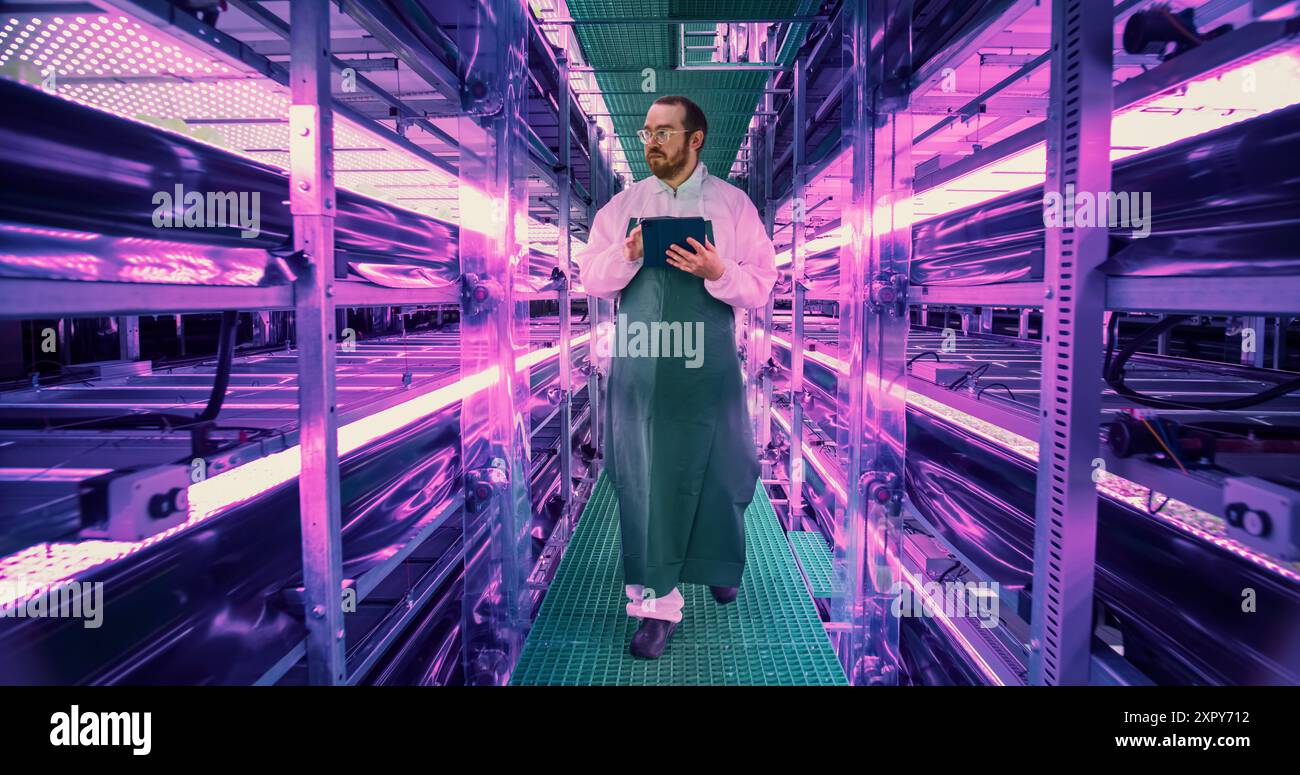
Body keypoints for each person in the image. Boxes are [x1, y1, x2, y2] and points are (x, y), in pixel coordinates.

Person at [576, 95, 778, 659]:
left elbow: (762, 283)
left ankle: (714, 559)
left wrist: (719, 270)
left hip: (707, 365)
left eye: (665, 131)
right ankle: (655, 606)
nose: (652, 141)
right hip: (641, 365)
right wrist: (629, 253)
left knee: (725, 467)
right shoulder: (623, 207)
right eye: (646, 133)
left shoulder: (733, 206)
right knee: (645, 481)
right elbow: (592, 276)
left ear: (696, 139)